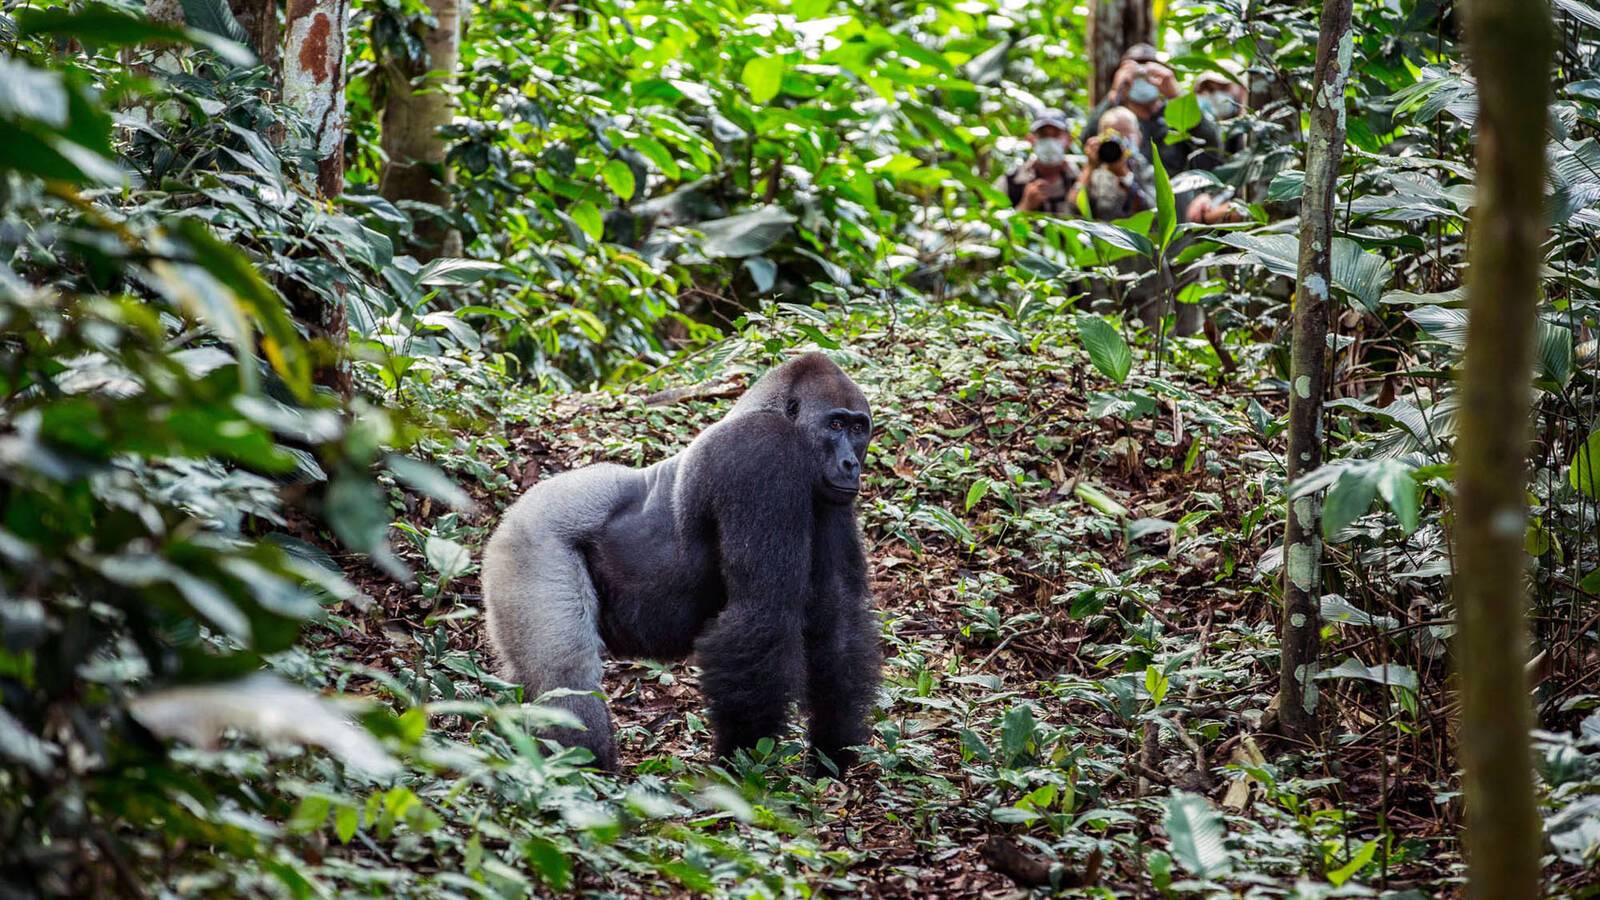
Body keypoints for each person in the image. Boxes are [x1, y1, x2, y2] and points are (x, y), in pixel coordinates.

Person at [1070, 106, 1155, 221]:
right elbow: (1072, 210)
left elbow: (1153, 214)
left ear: (1139, 137)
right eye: (1113, 137)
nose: (1121, 143)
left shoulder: (1147, 170)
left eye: (1126, 135)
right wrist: (1089, 168)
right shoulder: (1093, 172)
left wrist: (1125, 178)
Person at [999, 109, 1080, 216]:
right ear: (1031, 140)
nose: (1050, 142)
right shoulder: (1012, 181)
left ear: (1069, 140)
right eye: (1043, 134)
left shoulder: (1081, 176)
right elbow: (995, 224)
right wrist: (1025, 206)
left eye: (1056, 134)